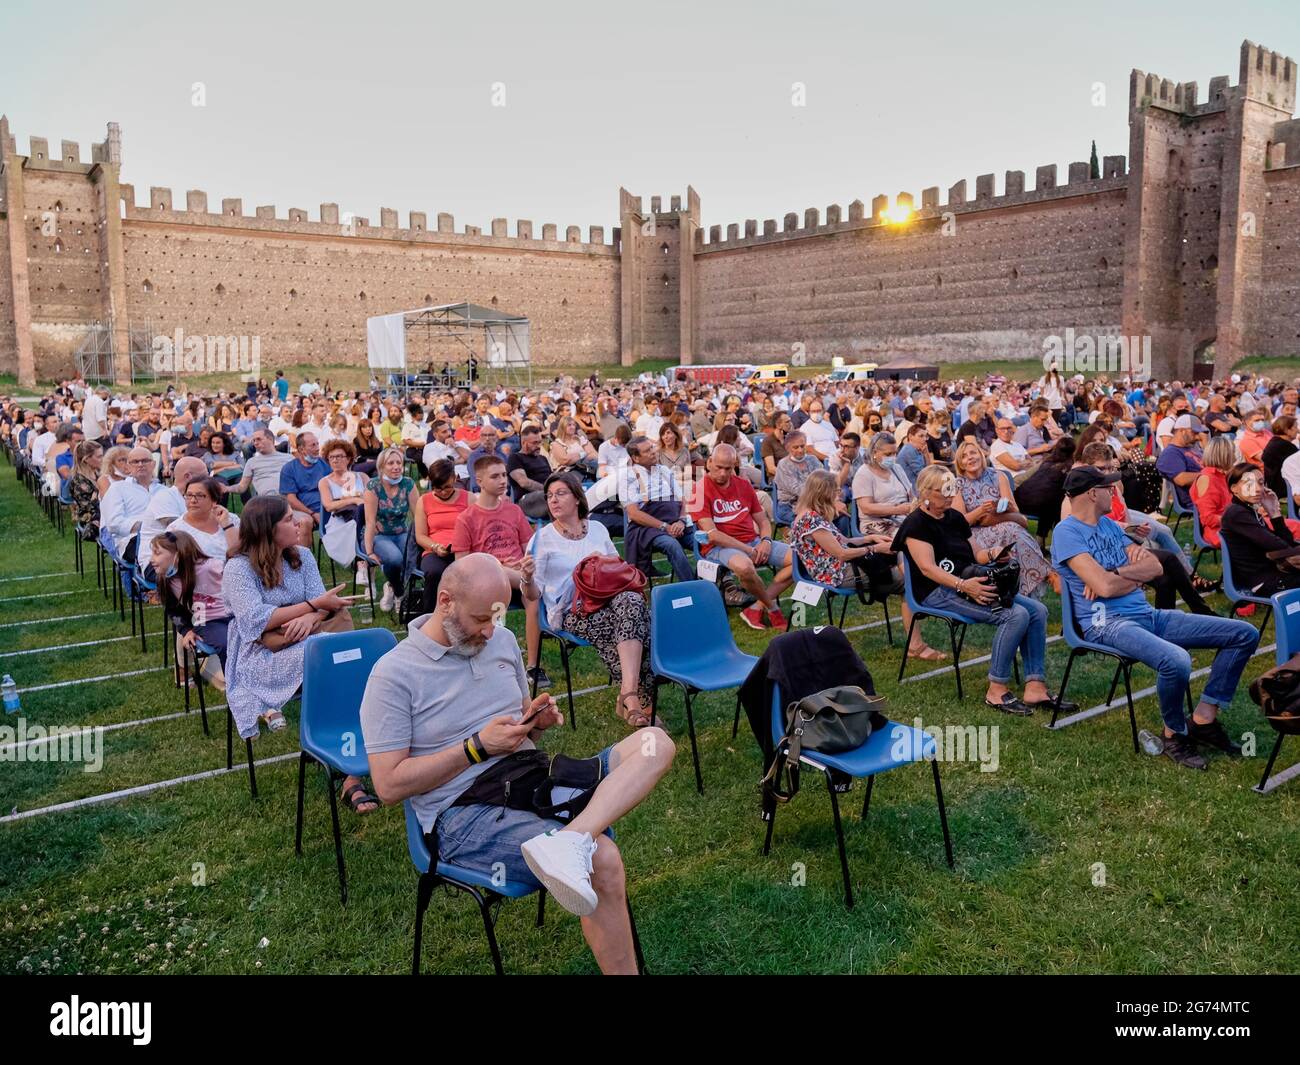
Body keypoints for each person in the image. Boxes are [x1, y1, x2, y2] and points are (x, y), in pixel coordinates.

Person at [359, 552, 672, 968]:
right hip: (462, 814)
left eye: (496, 617)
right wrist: (476, 747)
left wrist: (535, 723)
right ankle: (577, 843)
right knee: (603, 859)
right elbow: (388, 786)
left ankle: (570, 840)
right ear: (445, 601)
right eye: (480, 620)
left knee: (655, 743)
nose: (490, 632)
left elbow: (520, 722)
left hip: (530, 778)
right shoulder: (392, 675)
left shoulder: (501, 640)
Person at [1052, 466, 1258, 770]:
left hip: (1147, 615)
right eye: (1108, 488)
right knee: (1176, 660)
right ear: (1092, 494)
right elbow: (1105, 588)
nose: (1114, 491)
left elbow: (1155, 567)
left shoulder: (1108, 526)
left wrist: (1116, 573)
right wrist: (1123, 578)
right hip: (1106, 624)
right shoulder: (1066, 532)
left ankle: (1203, 718)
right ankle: (1173, 733)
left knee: (1245, 634)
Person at [222, 495, 370, 806]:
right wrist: (313, 607)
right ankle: (342, 758)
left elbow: (324, 602)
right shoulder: (238, 568)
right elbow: (255, 620)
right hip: (261, 656)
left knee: (341, 659)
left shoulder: (301, 556)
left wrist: (312, 614)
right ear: (268, 529)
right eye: (289, 519)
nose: (299, 523)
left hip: (310, 639)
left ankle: (349, 769)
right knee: (338, 662)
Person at [894, 465, 1062, 715]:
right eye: (945, 492)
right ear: (926, 492)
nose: (951, 497)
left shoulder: (954, 517)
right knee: (1015, 615)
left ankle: (1035, 686)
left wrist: (994, 554)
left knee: (1037, 610)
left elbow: (977, 555)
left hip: (968, 581)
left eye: (953, 491)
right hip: (936, 591)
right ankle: (996, 690)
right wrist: (964, 585)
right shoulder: (916, 523)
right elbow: (928, 569)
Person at [531, 473, 657, 727]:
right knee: (626, 623)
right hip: (570, 610)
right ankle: (640, 700)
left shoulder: (597, 528)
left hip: (608, 597)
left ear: (577, 498)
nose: (553, 500)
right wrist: (525, 579)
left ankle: (629, 693)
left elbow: (617, 568)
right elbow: (534, 594)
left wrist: (600, 560)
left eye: (560, 493)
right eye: (549, 496)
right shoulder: (542, 539)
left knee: (632, 601)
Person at [451, 454, 546, 688]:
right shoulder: (466, 518)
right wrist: (498, 567)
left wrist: (524, 564)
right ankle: (494, 660)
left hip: (519, 576)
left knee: (532, 597)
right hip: (486, 578)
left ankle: (532, 666)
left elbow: (529, 548)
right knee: (523, 584)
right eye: (495, 476)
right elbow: (462, 565)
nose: (503, 480)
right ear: (480, 481)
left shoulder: (513, 511)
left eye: (504, 474)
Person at [689, 444, 793, 631]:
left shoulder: (743, 485)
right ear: (709, 462)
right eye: (718, 467)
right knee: (744, 566)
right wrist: (749, 550)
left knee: (799, 559)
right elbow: (713, 535)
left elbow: (763, 521)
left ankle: (756, 607)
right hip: (718, 547)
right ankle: (772, 607)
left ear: (734, 465)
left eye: (728, 468)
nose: (722, 473)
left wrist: (766, 541)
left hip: (752, 541)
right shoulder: (698, 490)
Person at [950, 441, 1055, 597]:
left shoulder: (997, 475)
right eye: (964, 457)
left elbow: (1015, 510)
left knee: (1014, 532)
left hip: (1004, 522)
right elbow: (960, 523)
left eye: (973, 453)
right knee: (1014, 531)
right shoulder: (957, 485)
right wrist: (980, 511)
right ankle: (1044, 577)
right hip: (976, 536)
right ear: (960, 463)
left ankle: (1023, 590)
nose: (970, 458)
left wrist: (1002, 506)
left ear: (981, 454)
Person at [791, 471, 897, 596]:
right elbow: (842, 554)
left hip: (842, 567)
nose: (839, 493)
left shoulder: (814, 514)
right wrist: (874, 548)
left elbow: (844, 541)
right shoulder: (811, 519)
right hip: (836, 576)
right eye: (836, 490)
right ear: (823, 493)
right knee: (903, 577)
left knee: (899, 560)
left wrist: (870, 538)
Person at [619, 435, 695, 582]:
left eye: (652, 447)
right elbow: (634, 514)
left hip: (677, 523)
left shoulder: (663, 470)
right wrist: (665, 527)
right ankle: (693, 586)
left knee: (704, 540)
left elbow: (683, 500)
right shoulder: (628, 476)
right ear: (636, 458)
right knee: (671, 545)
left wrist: (681, 521)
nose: (653, 452)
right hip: (649, 528)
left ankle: (720, 581)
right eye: (647, 451)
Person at [1219, 462, 1300, 600]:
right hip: (1265, 581)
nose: (1257, 489)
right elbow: (1280, 546)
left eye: (1261, 483)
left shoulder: (1247, 510)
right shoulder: (1236, 513)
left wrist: (1274, 513)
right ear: (1234, 488)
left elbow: (1285, 543)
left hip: (1274, 574)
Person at [150, 529, 231, 665]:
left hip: (234, 615)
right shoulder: (164, 579)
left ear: (178, 554)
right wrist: (186, 630)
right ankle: (235, 683)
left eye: (157, 553)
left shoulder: (212, 567)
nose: (151, 559)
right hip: (206, 621)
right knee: (227, 644)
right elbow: (173, 611)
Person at [364, 447, 419, 613]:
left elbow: (418, 516)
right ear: (382, 467)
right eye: (391, 463)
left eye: (399, 463)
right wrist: (369, 552)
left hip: (402, 532)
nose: (396, 467)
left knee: (411, 558)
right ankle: (399, 592)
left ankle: (391, 585)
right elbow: (370, 521)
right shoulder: (373, 486)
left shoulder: (408, 484)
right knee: (395, 559)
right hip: (379, 535)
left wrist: (420, 539)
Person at [414, 459, 471, 615]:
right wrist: (435, 547)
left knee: (467, 573)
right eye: (437, 488)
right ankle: (429, 617)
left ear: (455, 478)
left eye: (447, 487)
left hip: (463, 550)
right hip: (434, 550)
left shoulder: (469, 498)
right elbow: (420, 535)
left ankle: (464, 616)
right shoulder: (424, 501)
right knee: (435, 573)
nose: (443, 492)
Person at [100, 446, 165, 562]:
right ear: (129, 466)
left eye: (145, 460)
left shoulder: (164, 491)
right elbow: (114, 523)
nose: (140, 464)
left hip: (165, 539)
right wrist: (147, 526)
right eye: (135, 462)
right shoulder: (117, 488)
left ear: (153, 464)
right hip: (133, 541)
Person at [1012, 434, 1075, 542]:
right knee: (1056, 502)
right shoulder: (1069, 468)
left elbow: (1023, 477)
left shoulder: (1045, 462)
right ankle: (1049, 539)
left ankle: (1042, 540)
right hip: (1042, 505)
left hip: (1020, 500)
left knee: (1051, 499)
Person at [852, 433, 914, 535]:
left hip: (902, 517)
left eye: (895, 453)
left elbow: (911, 495)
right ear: (874, 453)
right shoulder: (863, 474)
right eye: (888, 454)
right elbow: (866, 508)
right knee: (910, 537)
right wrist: (897, 510)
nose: (893, 458)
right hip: (876, 523)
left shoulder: (897, 468)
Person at [168, 476, 240, 560]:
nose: (193, 500)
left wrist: (227, 526)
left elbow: (241, 554)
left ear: (214, 500)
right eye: (189, 495)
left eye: (199, 495)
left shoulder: (231, 519)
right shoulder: (175, 529)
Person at [279, 431, 330, 545]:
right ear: (302, 449)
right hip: (303, 510)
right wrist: (312, 513)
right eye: (313, 445)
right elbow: (291, 499)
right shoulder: (289, 468)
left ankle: (359, 559)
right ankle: (304, 560)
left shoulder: (323, 463)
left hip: (328, 507)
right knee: (305, 521)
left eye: (317, 444)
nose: (318, 448)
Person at [772, 431, 824, 527]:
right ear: (788, 448)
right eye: (795, 447)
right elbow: (798, 490)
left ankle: (840, 540)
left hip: (814, 502)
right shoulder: (784, 465)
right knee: (811, 521)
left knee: (839, 516)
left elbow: (824, 481)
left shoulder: (813, 460)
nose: (800, 450)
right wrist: (820, 494)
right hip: (789, 505)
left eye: (802, 446)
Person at [1155, 414, 1205, 510]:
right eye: (1194, 433)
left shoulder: (1193, 448)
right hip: (1198, 499)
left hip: (1210, 491)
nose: (1198, 437)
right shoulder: (1171, 453)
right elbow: (1181, 479)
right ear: (1182, 431)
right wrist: (1209, 475)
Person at [236, 428, 294, 498]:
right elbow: (242, 486)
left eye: (259, 439)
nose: (255, 443)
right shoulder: (252, 462)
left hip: (290, 499)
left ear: (270, 439)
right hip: (267, 501)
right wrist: (226, 488)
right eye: (254, 440)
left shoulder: (289, 458)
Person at [69, 439, 103, 540]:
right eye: (99, 456)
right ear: (86, 459)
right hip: (90, 522)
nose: (103, 459)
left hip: (103, 515)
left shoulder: (97, 473)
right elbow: (89, 509)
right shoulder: (79, 482)